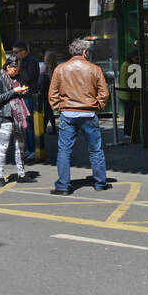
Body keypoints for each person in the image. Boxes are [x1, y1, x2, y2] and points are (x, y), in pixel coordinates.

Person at [47, 37, 110, 195]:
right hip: (88, 113)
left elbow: (52, 94)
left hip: (67, 113)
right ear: (84, 52)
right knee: (95, 150)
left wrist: (58, 108)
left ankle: (63, 186)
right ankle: (100, 183)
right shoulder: (94, 69)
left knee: (64, 150)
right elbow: (104, 93)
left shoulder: (60, 69)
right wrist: (98, 106)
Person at [0, 52, 33, 186]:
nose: (16, 71)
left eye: (17, 69)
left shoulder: (18, 78)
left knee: (19, 147)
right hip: (6, 117)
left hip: (18, 117)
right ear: (7, 67)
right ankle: (0, 177)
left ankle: (21, 174)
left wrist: (22, 92)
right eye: (14, 69)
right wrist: (13, 92)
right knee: (3, 147)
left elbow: (18, 93)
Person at [13, 41, 40, 161]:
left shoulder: (31, 61)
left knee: (29, 124)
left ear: (23, 51)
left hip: (29, 95)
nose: (15, 55)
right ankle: (30, 149)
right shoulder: (24, 62)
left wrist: (19, 67)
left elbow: (28, 78)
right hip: (23, 95)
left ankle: (33, 149)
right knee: (25, 124)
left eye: (16, 52)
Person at [39, 51, 58, 134]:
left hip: (45, 91)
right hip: (53, 92)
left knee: (48, 110)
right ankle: (49, 128)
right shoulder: (56, 67)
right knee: (48, 111)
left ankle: (46, 129)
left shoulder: (44, 67)